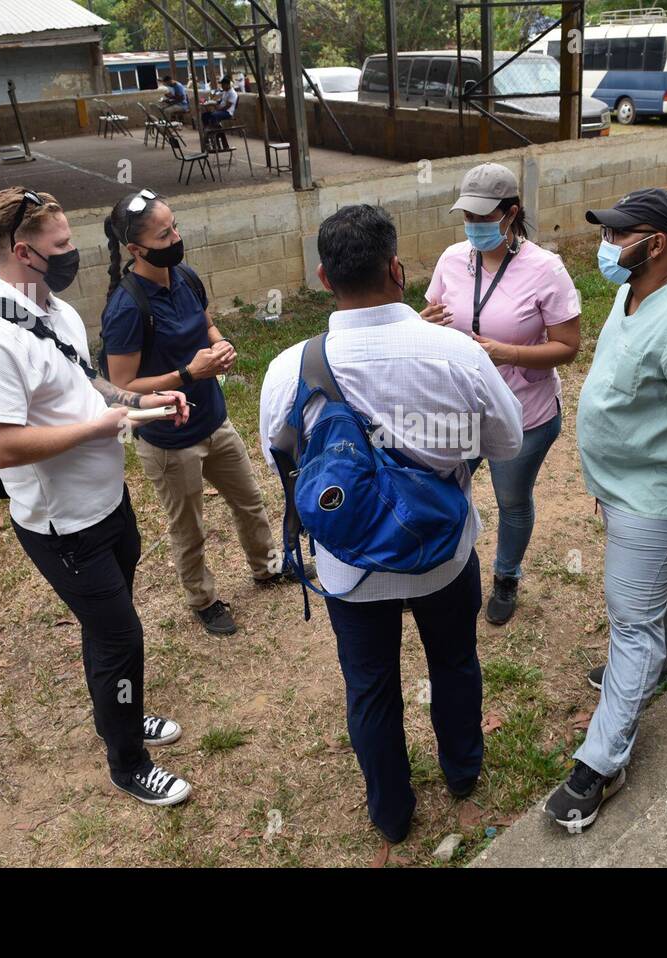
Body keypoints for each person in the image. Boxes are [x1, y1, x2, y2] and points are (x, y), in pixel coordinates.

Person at [259, 204, 524, 844]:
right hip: (442, 552)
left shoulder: (290, 367)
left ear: (324, 278)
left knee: (371, 688)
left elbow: (282, 449)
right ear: (398, 269)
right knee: (455, 663)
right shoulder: (457, 353)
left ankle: (391, 813)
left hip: (351, 564)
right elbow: (509, 439)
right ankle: (462, 772)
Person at [0, 186, 194, 807]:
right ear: (20, 250)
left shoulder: (53, 310)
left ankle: (122, 715)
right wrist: (105, 426)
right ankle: (127, 761)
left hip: (108, 503)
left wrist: (141, 403)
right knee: (120, 637)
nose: (74, 253)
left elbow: (84, 382)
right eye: (60, 246)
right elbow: (3, 447)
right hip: (63, 527)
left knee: (108, 631)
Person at [544, 188, 667, 832]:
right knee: (650, 594)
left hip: (655, 498)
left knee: (631, 623)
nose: (605, 247)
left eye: (616, 235)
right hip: (621, 486)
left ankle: (600, 765)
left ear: (655, 243)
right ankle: (652, 664)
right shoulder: (633, 290)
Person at [101, 189, 306, 637]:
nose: (176, 237)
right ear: (136, 250)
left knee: (250, 503)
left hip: (215, 421)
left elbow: (206, 322)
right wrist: (187, 373)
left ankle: (268, 568)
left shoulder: (185, 276)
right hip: (170, 439)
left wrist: (219, 343)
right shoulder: (126, 307)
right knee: (188, 527)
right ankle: (204, 600)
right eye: (164, 233)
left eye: (175, 226)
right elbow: (121, 388)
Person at [422, 162, 581, 625]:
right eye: (467, 217)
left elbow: (568, 347)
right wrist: (422, 322)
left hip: (522, 412)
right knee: (442, 487)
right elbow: (430, 311)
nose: (473, 227)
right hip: (461, 409)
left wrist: (506, 352)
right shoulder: (452, 259)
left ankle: (506, 575)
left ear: (511, 214)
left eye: (483, 218)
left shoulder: (545, 269)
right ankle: (440, 570)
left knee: (511, 499)